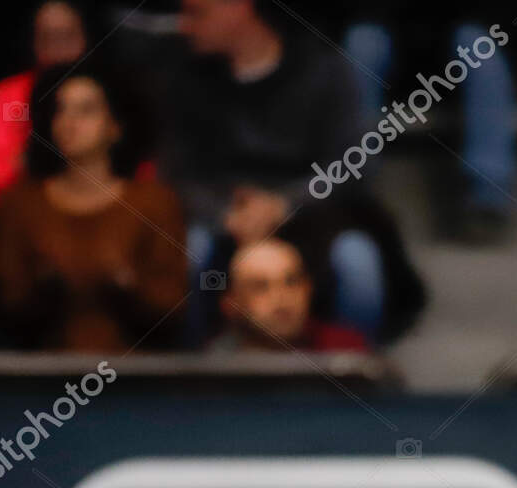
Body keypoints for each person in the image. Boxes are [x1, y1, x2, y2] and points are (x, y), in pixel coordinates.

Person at [163, 0, 389, 342]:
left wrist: (283, 205)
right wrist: (225, 215)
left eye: (197, 12)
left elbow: (352, 163)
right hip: (222, 222)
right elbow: (178, 174)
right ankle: (193, 381)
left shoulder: (324, 69)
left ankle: (351, 378)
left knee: (358, 265)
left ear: (239, 8)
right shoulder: (185, 79)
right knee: (190, 253)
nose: (183, 25)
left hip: (311, 218)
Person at [0, 66, 188, 351]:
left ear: (116, 126)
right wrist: (47, 293)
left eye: (86, 110)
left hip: (136, 376)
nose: (69, 122)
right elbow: (8, 303)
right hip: (38, 377)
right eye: (61, 110)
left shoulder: (155, 203)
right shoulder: (20, 204)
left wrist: (126, 289)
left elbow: (171, 306)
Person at [0, 1, 90, 232]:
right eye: (48, 38)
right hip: (21, 230)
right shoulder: (7, 99)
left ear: (86, 38)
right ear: (34, 43)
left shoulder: (107, 97)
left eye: (66, 36)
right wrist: (24, 169)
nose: (58, 50)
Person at [213, 236, 370, 352]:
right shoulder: (212, 370)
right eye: (260, 286)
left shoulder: (347, 353)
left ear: (308, 288)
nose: (281, 297)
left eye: (291, 281)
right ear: (231, 303)